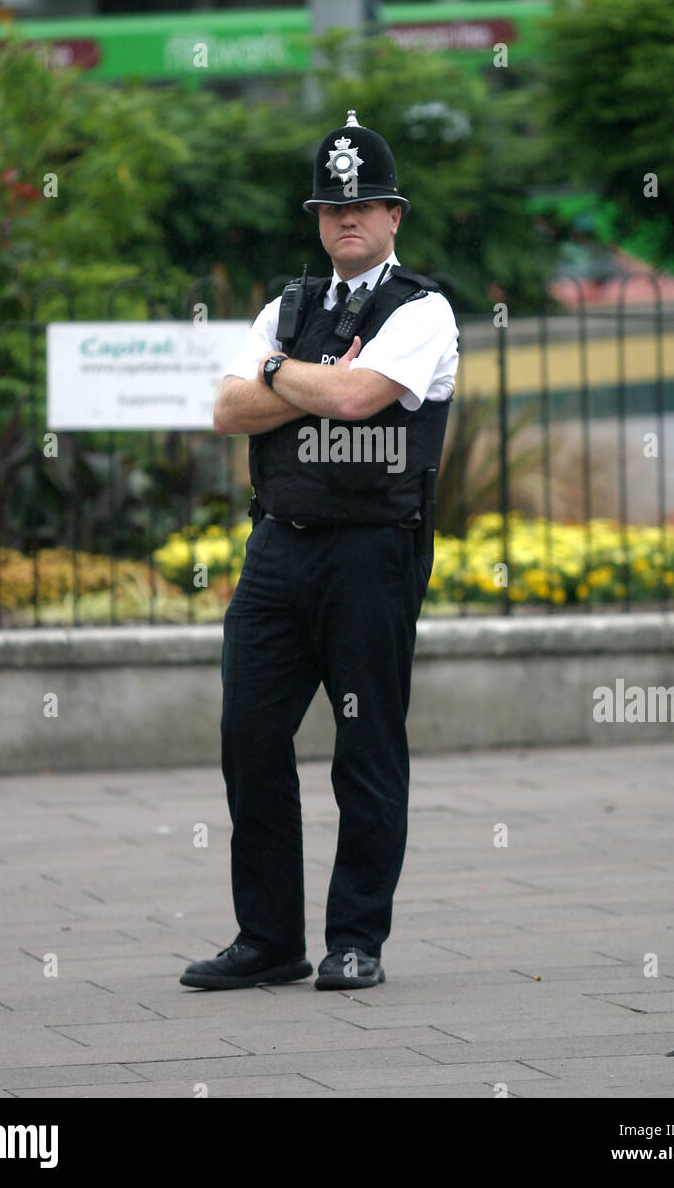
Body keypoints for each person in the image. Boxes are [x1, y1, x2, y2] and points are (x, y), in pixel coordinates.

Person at [180, 110, 458, 991]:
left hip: (371, 555)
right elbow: (229, 412)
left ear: (393, 216)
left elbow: (357, 399)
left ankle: (354, 941)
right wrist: (301, 380)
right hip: (278, 548)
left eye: (365, 205)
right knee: (249, 738)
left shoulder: (424, 310)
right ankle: (268, 939)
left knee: (363, 746)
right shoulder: (287, 305)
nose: (347, 218)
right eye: (331, 207)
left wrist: (276, 376)